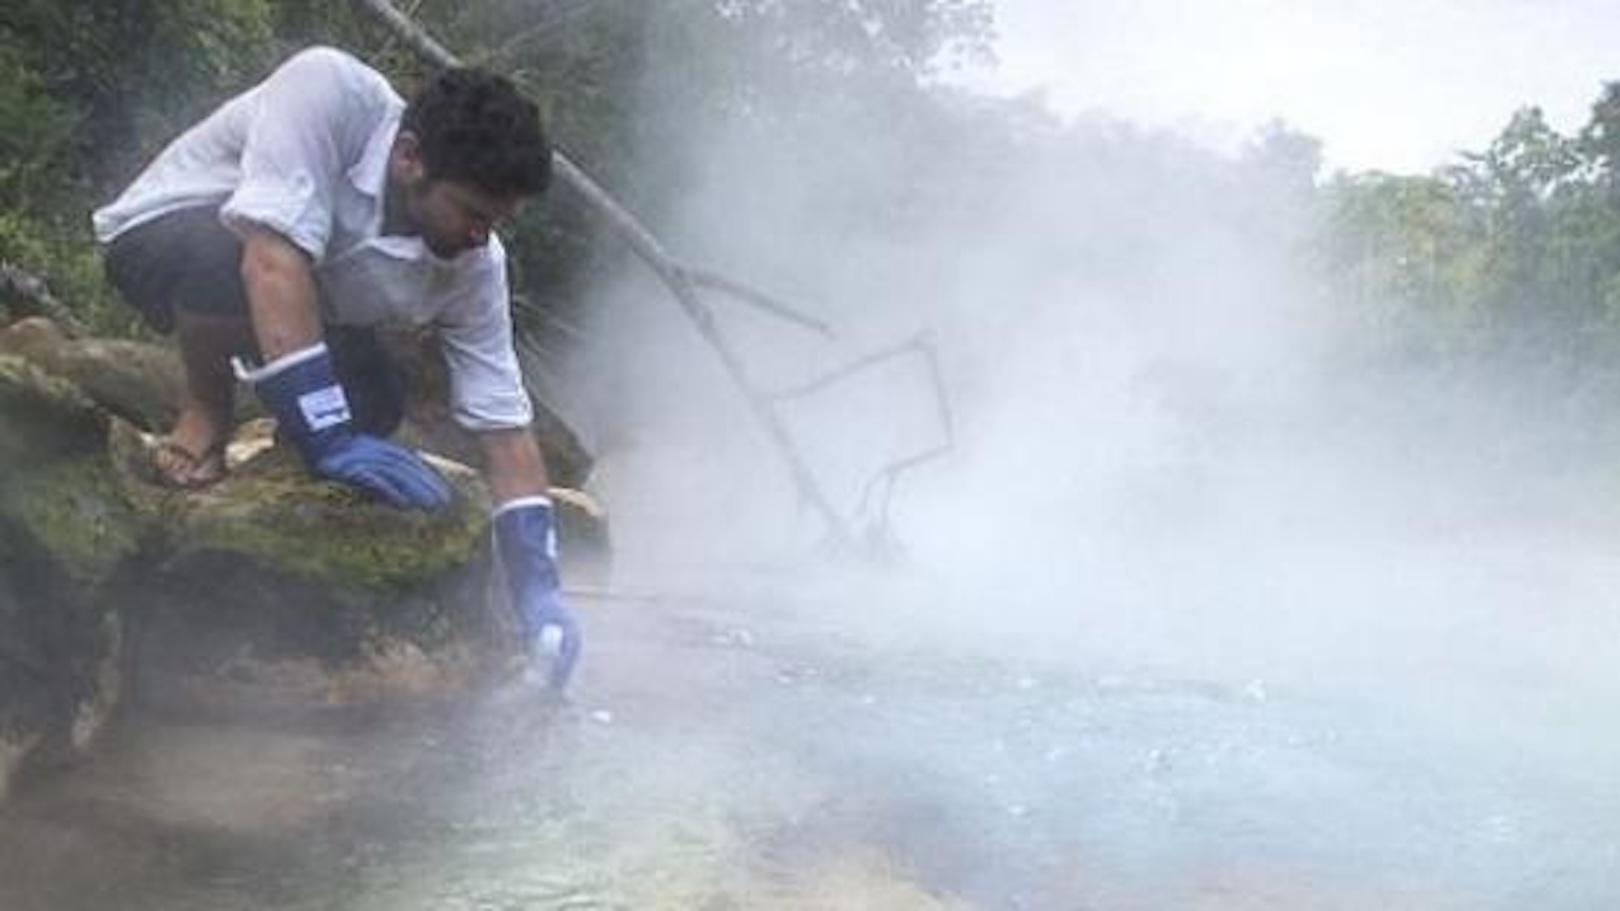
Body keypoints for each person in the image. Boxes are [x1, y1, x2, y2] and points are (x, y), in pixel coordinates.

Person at [92, 46, 580, 688]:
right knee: (224, 260)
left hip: (300, 288)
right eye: (472, 212)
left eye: (497, 222)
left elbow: (505, 427)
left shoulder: (477, 265)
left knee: (376, 405)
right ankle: (207, 410)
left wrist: (540, 590)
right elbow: (268, 259)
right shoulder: (328, 92)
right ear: (410, 159)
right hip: (168, 234)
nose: (480, 236)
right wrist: (325, 432)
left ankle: (274, 462)